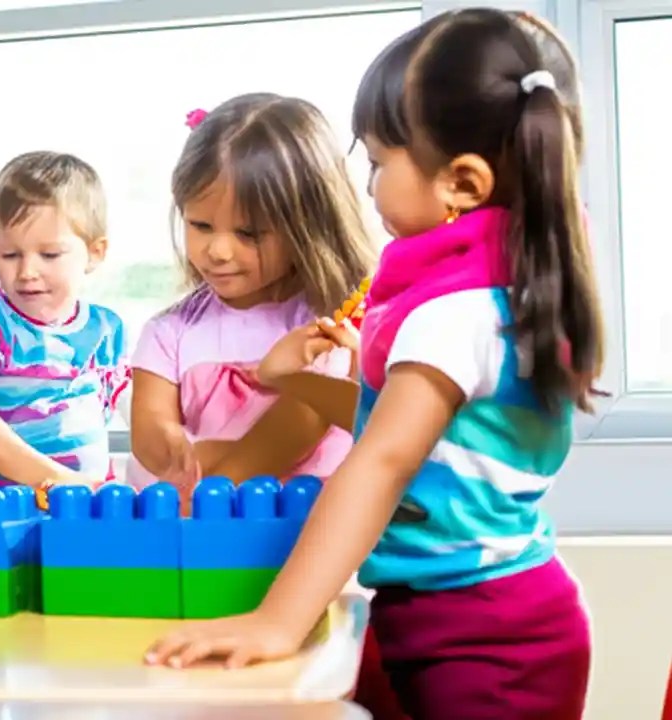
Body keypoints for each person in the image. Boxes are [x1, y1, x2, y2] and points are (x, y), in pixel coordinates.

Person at [146, 10, 600, 720]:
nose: (368, 185)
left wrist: (276, 622)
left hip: (484, 638)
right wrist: (286, 377)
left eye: (381, 161)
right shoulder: (491, 290)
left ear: (463, 184)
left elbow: (381, 462)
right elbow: (395, 433)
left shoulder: (457, 314)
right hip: (447, 613)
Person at [125, 93, 375, 498]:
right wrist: (167, 446)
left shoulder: (331, 324)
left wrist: (214, 486)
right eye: (201, 225)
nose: (218, 251)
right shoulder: (169, 332)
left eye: (248, 234)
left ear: (307, 225)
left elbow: (301, 423)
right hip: (204, 535)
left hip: (304, 533)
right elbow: (149, 424)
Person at [0, 151, 129, 489]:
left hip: (92, 510)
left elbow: (139, 415)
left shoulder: (106, 329)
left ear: (95, 252)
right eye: (10, 255)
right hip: (6, 515)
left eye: (49, 255)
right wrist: (61, 481)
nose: (27, 272)